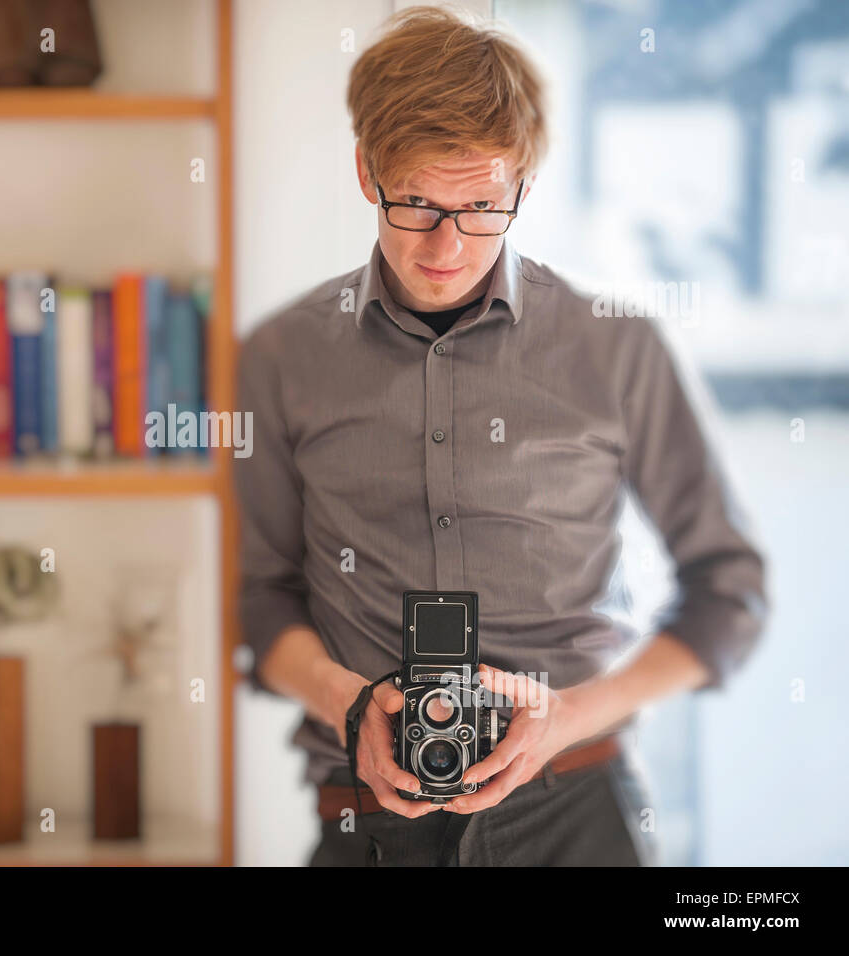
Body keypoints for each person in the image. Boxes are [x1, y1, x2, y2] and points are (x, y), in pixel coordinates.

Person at [233, 5, 768, 867]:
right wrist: (353, 704)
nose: (448, 245)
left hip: (577, 811)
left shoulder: (616, 346)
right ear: (367, 172)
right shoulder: (282, 356)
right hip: (364, 815)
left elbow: (729, 591)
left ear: (522, 183)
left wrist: (569, 718)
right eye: (417, 203)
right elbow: (260, 600)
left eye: (482, 205)